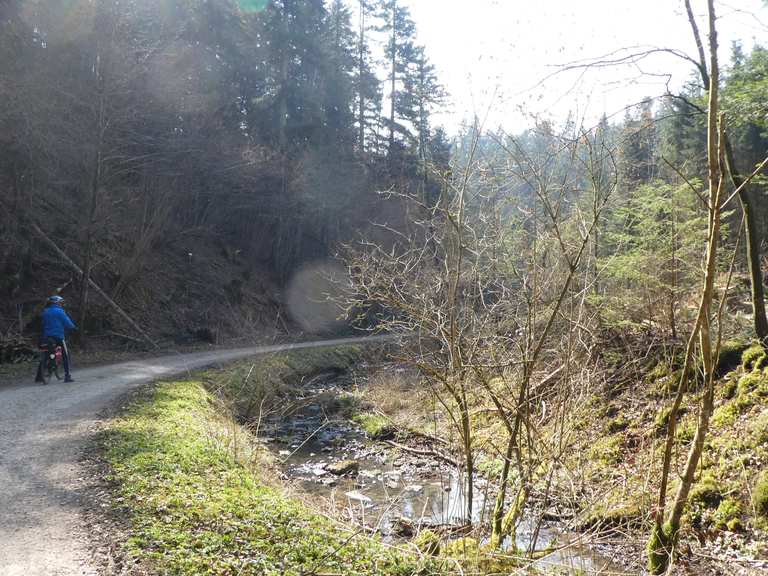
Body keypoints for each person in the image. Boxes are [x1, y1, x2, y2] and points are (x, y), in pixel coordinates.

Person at [36, 295, 76, 383]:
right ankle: (67, 376)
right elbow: (67, 322)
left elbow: (42, 323)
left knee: (47, 353)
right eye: (61, 303)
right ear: (57, 303)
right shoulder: (60, 312)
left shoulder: (45, 312)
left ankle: (39, 377)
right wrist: (73, 328)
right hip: (58, 336)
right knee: (65, 354)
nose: (62, 304)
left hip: (46, 336)